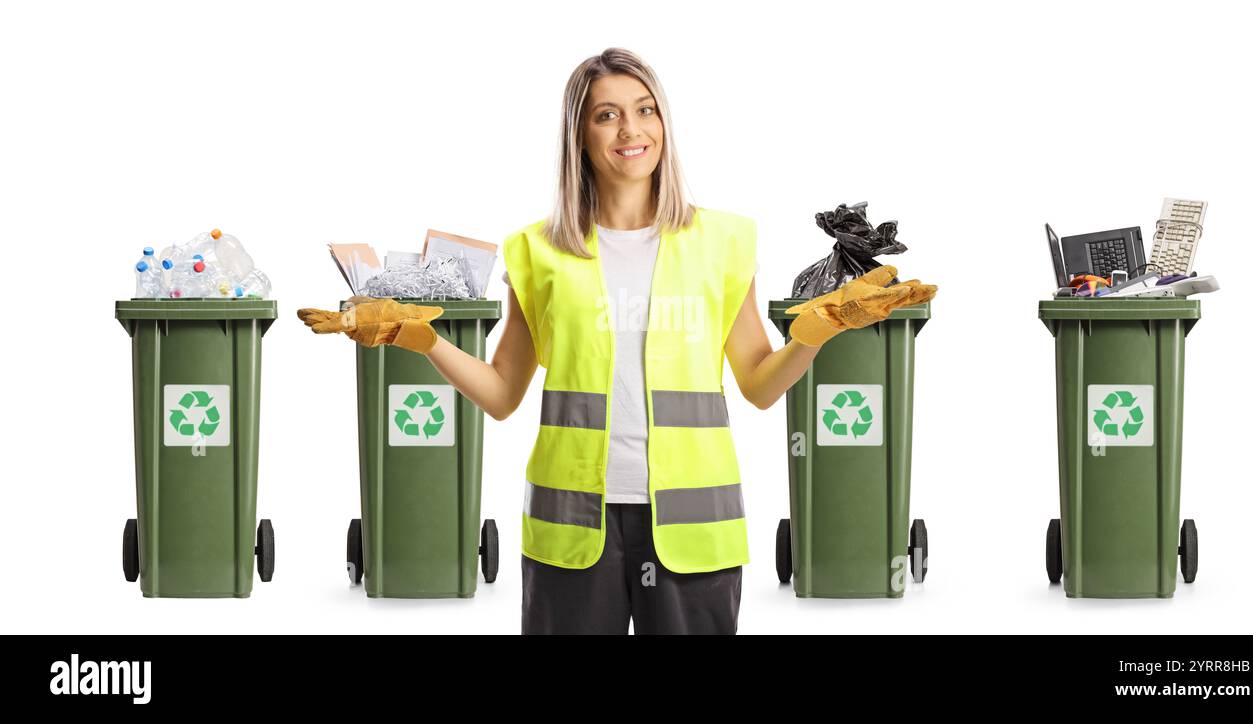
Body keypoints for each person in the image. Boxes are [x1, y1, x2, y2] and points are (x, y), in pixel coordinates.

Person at [298, 48, 935, 634]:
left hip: (693, 529)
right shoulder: (538, 251)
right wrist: (424, 340)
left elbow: (759, 386)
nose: (632, 131)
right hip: (573, 531)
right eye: (608, 115)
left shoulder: (722, 243)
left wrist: (812, 335)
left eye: (645, 110)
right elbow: (501, 395)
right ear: (580, 133)